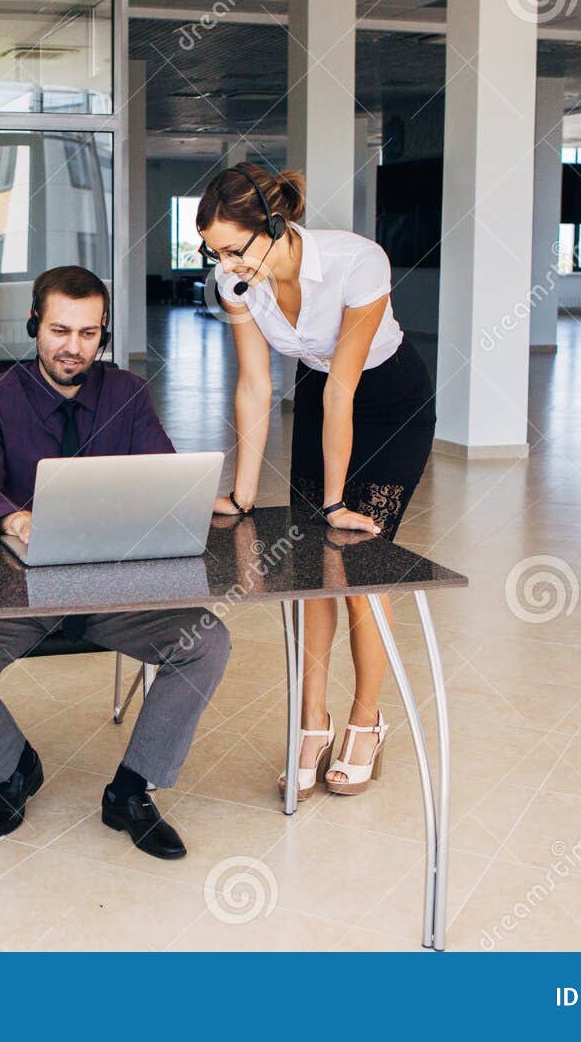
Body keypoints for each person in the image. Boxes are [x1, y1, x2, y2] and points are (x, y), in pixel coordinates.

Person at [0, 266, 230, 860]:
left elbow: (162, 474)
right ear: (34, 324)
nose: (73, 347)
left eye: (89, 334)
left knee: (207, 642)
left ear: (103, 331)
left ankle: (131, 790)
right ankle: (16, 769)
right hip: (19, 592)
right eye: (60, 331)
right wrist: (14, 519)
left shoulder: (127, 393)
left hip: (113, 592)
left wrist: (193, 498)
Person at [197, 163, 436, 801]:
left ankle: (366, 720)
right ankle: (312, 722)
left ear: (275, 226)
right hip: (318, 395)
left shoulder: (358, 262)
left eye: (234, 249)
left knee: (357, 569)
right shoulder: (235, 281)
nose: (226, 265)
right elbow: (255, 385)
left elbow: (344, 389)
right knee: (310, 572)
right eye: (214, 252)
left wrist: (333, 502)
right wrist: (243, 492)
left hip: (389, 404)